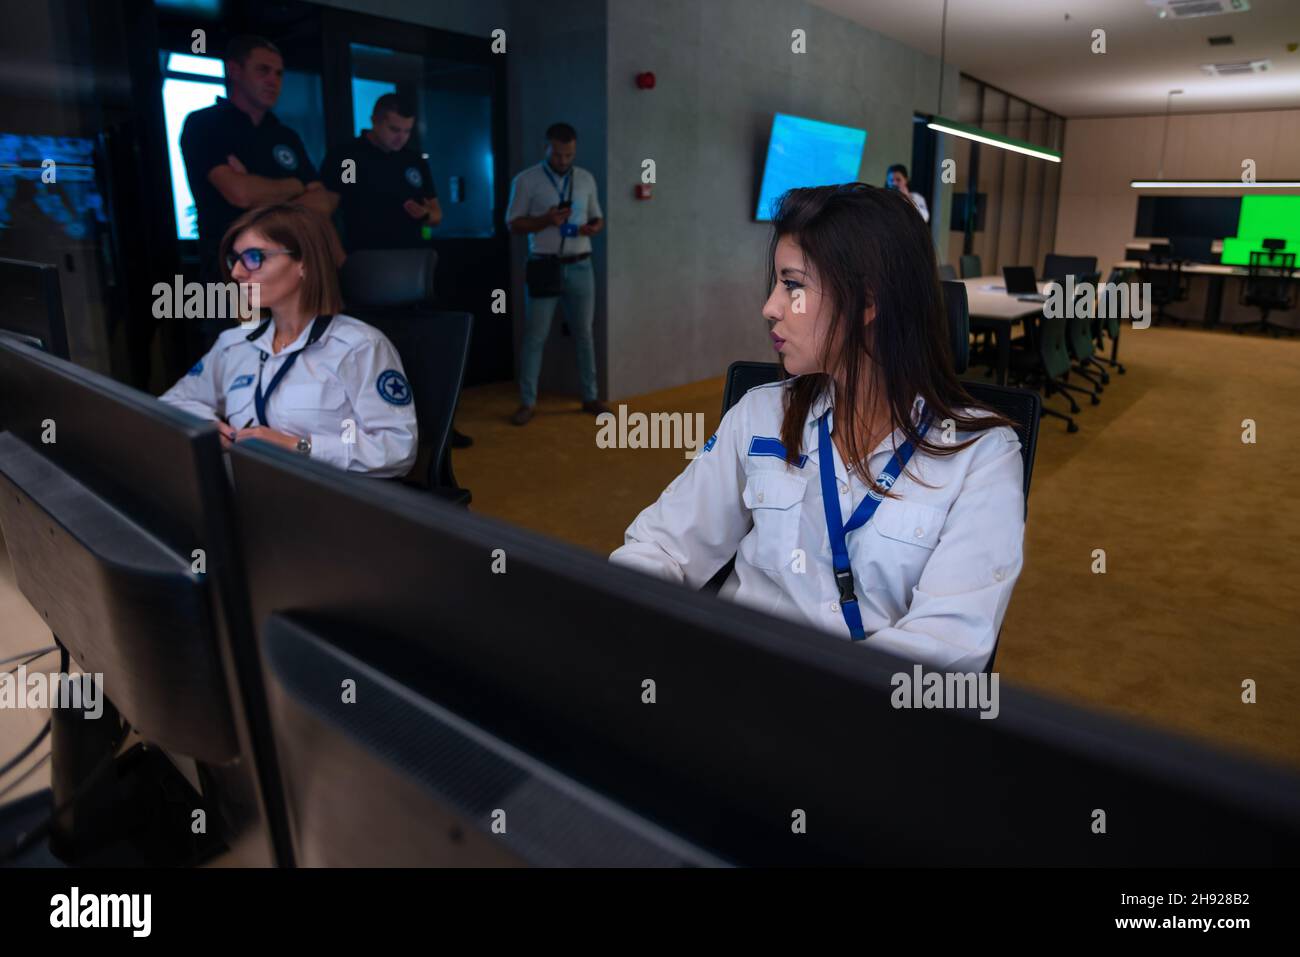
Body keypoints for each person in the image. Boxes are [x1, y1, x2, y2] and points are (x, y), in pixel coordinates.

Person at [610, 185, 1024, 674]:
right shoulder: (759, 414)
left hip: (853, 718)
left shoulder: (981, 457)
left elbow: (945, 645)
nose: (770, 307)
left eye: (793, 286)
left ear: (868, 300)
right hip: (726, 683)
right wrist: (625, 617)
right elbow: (659, 546)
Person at [160, 204, 417, 478]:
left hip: (326, 497)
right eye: (234, 259)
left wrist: (299, 447)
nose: (236, 272)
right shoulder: (234, 344)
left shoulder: (360, 346)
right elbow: (174, 401)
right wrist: (207, 426)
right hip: (252, 487)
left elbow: (397, 449)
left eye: (254, 257)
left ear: (303, 263)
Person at [180, 36, 340, 291]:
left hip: (293, 272)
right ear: (235, 70)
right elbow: (240, 194)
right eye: (263, 70)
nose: (273, 81)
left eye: (278, 73)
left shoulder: (285, 135)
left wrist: (261, 193)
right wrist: (296, 186)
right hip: (232, 274)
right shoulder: (205, 125)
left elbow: (323, 202)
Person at [506, 122, 610, 425]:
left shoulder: (586, 179)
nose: (564, 160)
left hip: (581, 263)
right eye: (558, 154)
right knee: (535, 337)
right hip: (544, 264)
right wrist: (546, 220)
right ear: (546, 148)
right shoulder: (527, 181)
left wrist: (594, 227)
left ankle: (590, 397)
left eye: (569, 154)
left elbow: (598, 217)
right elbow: (513, 225)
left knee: (584, 335)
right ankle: (527, 402)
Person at [321, 93, 441, 252]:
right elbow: (331, 208)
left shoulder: (414, 161)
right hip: (364, 254)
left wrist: (425, 214)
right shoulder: (349, 158)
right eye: (394, 129)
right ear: (374, 121)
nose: (401, 137)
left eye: (407, 131)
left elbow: (437, 215)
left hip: (412, 254)